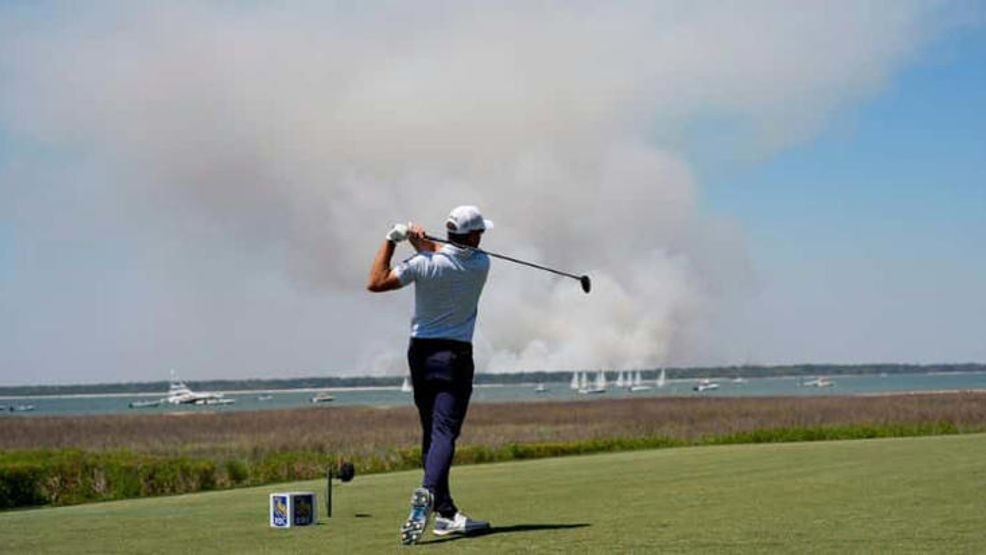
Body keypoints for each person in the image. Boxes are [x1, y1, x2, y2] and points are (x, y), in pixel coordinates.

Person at [366, 205, 495, 545]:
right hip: (455, 356)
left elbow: (376, 281)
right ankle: (428, 493)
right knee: (444, 433)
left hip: (420, 355)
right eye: (479, 232)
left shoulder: (424, 264)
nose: (482, 237)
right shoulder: (481, 264)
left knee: (432, 432)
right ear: (471, 235)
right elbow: (443, 256)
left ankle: (446, 513)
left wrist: (393, 239)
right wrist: (418, 243)